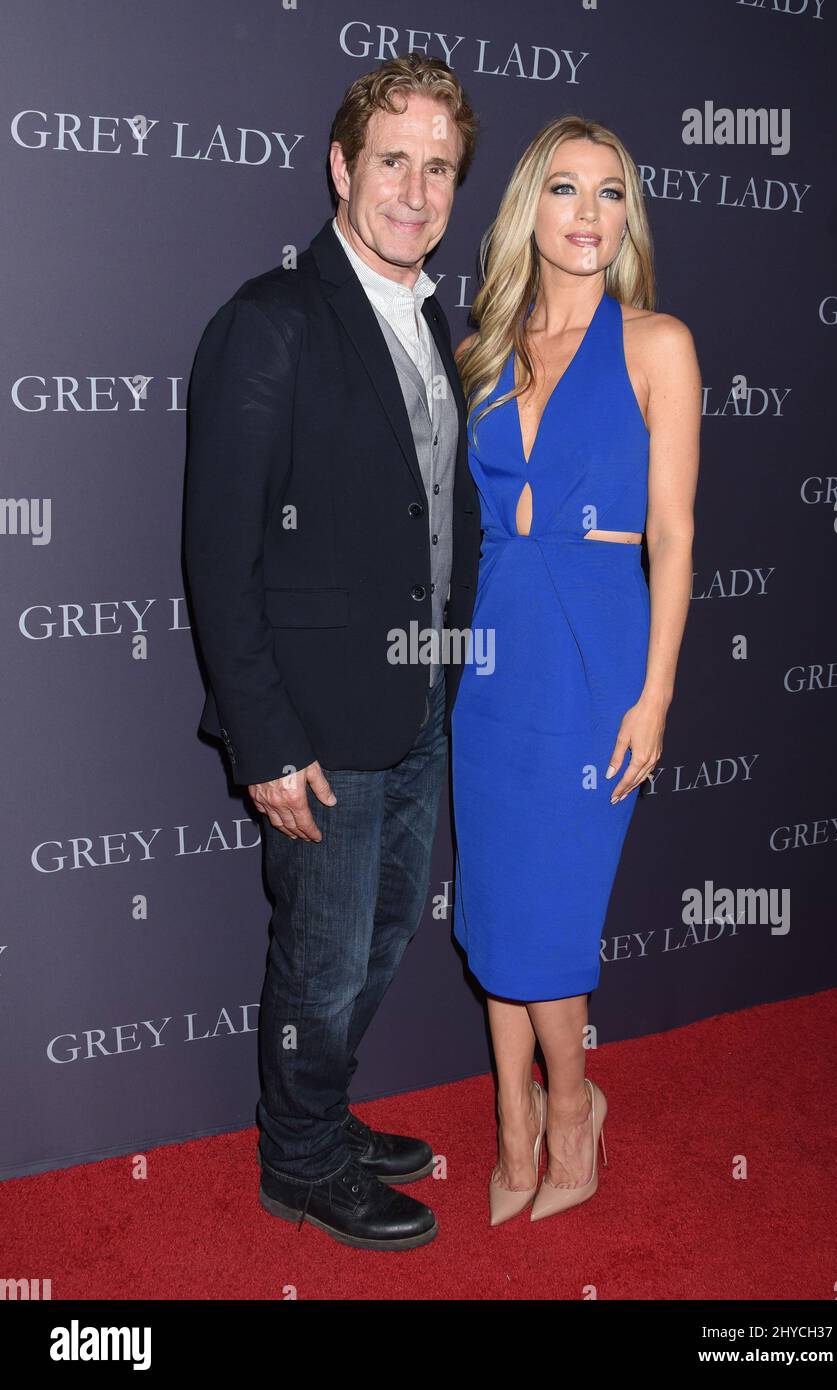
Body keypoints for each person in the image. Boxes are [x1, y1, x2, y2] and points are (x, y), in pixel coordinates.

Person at [183, 55, 481, 1250]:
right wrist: (266, 738)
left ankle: (324, 1112)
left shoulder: (428, 315)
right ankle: (297, 1163)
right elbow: (220, 555)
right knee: (319, 958)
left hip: (415, 703)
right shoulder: (270, 320)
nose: (414, 190)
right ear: (342, 166)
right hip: (313, 725)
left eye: (440, 168)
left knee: (382, 934)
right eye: (393, 161)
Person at [452, 116, 700, 1224]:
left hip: (596, 658)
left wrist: (654, 696)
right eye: (564, 188)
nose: (589, 213)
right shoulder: (484, 351)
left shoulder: (656, 343)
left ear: (625, 218)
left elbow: (675, 536)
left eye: (610, 192)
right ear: (529, 213)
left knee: (551, 914)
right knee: (500, 907)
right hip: (497, 665)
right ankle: (510, 1116)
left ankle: (570, 1109)